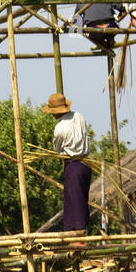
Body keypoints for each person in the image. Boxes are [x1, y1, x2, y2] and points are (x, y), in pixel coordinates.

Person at [42, 93, 92, 232]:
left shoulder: (60, 128)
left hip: (73, 165)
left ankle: (77, 238)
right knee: (81, 199)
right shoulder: (79, 116)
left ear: (55, 113)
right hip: (85, 164)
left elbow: (57, 149)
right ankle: (80, 233)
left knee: (74, 202)